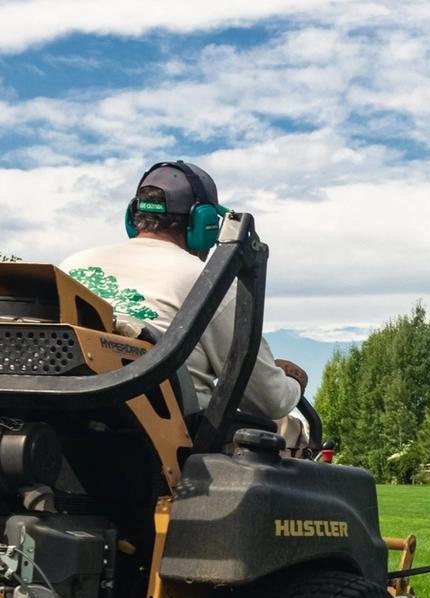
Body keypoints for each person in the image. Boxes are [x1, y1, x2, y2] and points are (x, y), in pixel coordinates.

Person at [60, 161, 310, 447]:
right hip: (162, 452)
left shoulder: (72, 265)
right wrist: (294, 382)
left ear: (132, 216)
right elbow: (270, 400)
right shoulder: (209, 280)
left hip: (63, 435)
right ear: (203, 223)